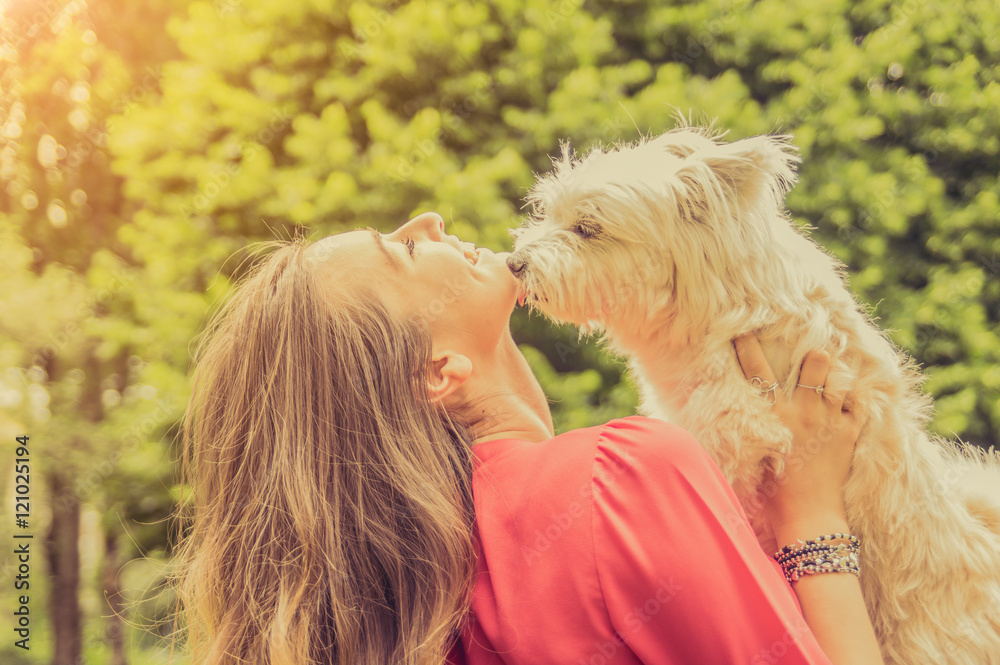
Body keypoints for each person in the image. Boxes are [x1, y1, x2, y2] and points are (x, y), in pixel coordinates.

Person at [172, 211, 885, 665]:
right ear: (436, 372)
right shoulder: (614, 482)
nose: (428, 219)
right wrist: (812, 515)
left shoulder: (414, 603)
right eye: (406, 253)